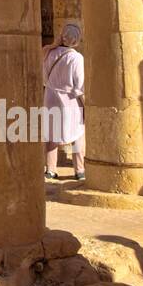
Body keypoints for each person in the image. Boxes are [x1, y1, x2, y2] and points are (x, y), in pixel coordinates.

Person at [42, 23, 85, 181]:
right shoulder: (76, 57)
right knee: (77, 133)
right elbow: (80, 84)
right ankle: (79, 170)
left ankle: (50, 170)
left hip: (50, 96)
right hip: (69, 100)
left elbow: (44, 77)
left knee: (51, 135)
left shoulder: (49, 53)